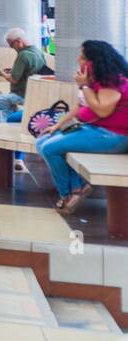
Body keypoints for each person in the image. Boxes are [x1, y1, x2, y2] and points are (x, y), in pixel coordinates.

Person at [36, 40, 128, 213]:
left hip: (113, 136)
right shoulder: (95, 79)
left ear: (95, 60)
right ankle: (77, 187)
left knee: (50, 149)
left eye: (83, 57)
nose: (79, 60)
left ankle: (67, 194)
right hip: (94, 130)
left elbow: (102, 111)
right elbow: (80, 106)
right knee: (42, 142)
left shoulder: (112, 81)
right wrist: (57, 125)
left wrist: (84, 85)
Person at [0, 28, 49, 168]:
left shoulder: (23, 55)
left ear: (19, 42)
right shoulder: (38, 52)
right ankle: (17, 159)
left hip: (19, 95)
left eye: (11, 45)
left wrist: (1, 73)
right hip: (32, 96)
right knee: (10, 122)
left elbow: (14, 80)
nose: (11, 48)